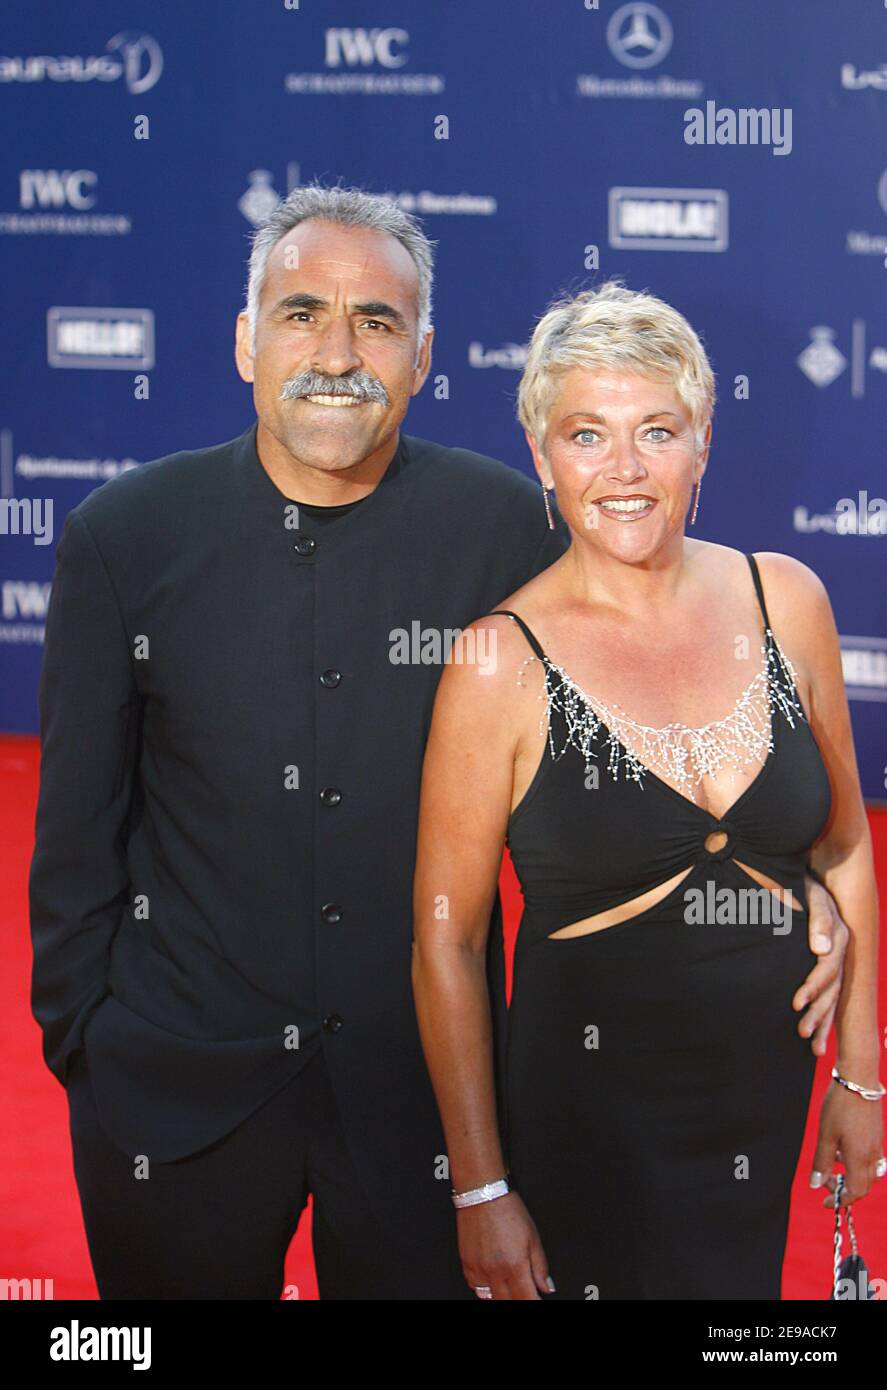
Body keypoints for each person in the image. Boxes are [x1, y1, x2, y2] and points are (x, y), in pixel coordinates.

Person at [29, 186, 848, 1300]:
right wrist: (89, 1047)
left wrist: (782, 890)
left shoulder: (506, 523)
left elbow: (643, 716)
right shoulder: (124, 537)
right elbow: (74, 832)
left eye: (375, 321)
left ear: (421, 357)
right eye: (300, 311)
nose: (335, 351)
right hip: (176, 1096)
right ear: (242, 340)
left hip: (422, 1110)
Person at [412, 280, 883, 1300]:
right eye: (586, 435)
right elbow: (445, 940)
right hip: (587, 1122)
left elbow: (841, 846)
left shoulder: (783, 599)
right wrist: (480, 1187)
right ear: (542, 457)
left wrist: (858, 1071)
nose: (622, 470)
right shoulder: (498, 660)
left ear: (701, 442)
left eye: (655, 430)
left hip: (757, 1102)